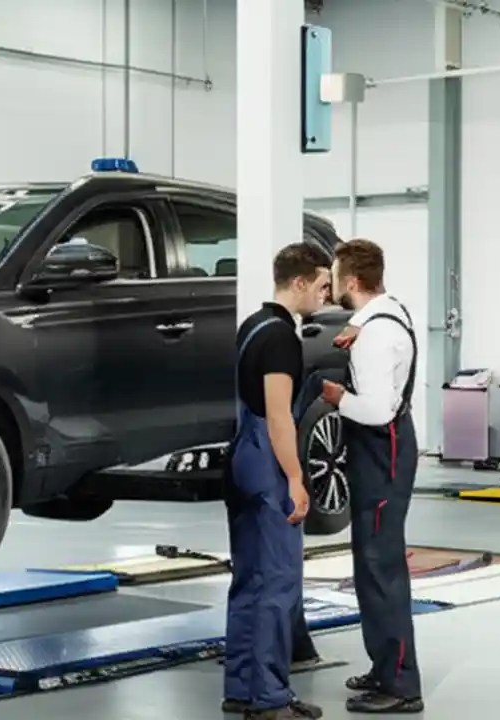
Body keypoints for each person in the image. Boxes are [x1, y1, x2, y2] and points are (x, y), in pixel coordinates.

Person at [222, 243, 332, 720]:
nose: (327, 296)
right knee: (279, 582)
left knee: (247, 578)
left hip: (240, 456)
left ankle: (241, 688)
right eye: (323, 285)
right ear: (300, 282)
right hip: (268, 460)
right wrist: (295, 477)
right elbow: (279, 417)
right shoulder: (284, 339)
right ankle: (268, 698)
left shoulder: (252, 325)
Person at [319, 239, 424, 714]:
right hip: (384, 453)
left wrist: (337, 398)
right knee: (368, 565)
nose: (331, 285)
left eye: (336, 278)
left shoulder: (377, 337)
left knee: (382, 570)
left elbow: (378, 410)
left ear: (353, 282)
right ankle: (384, 666)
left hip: (384, 452)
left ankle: (401, 685)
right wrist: (355, 323)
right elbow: (380, 312)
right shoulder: (384, 313)